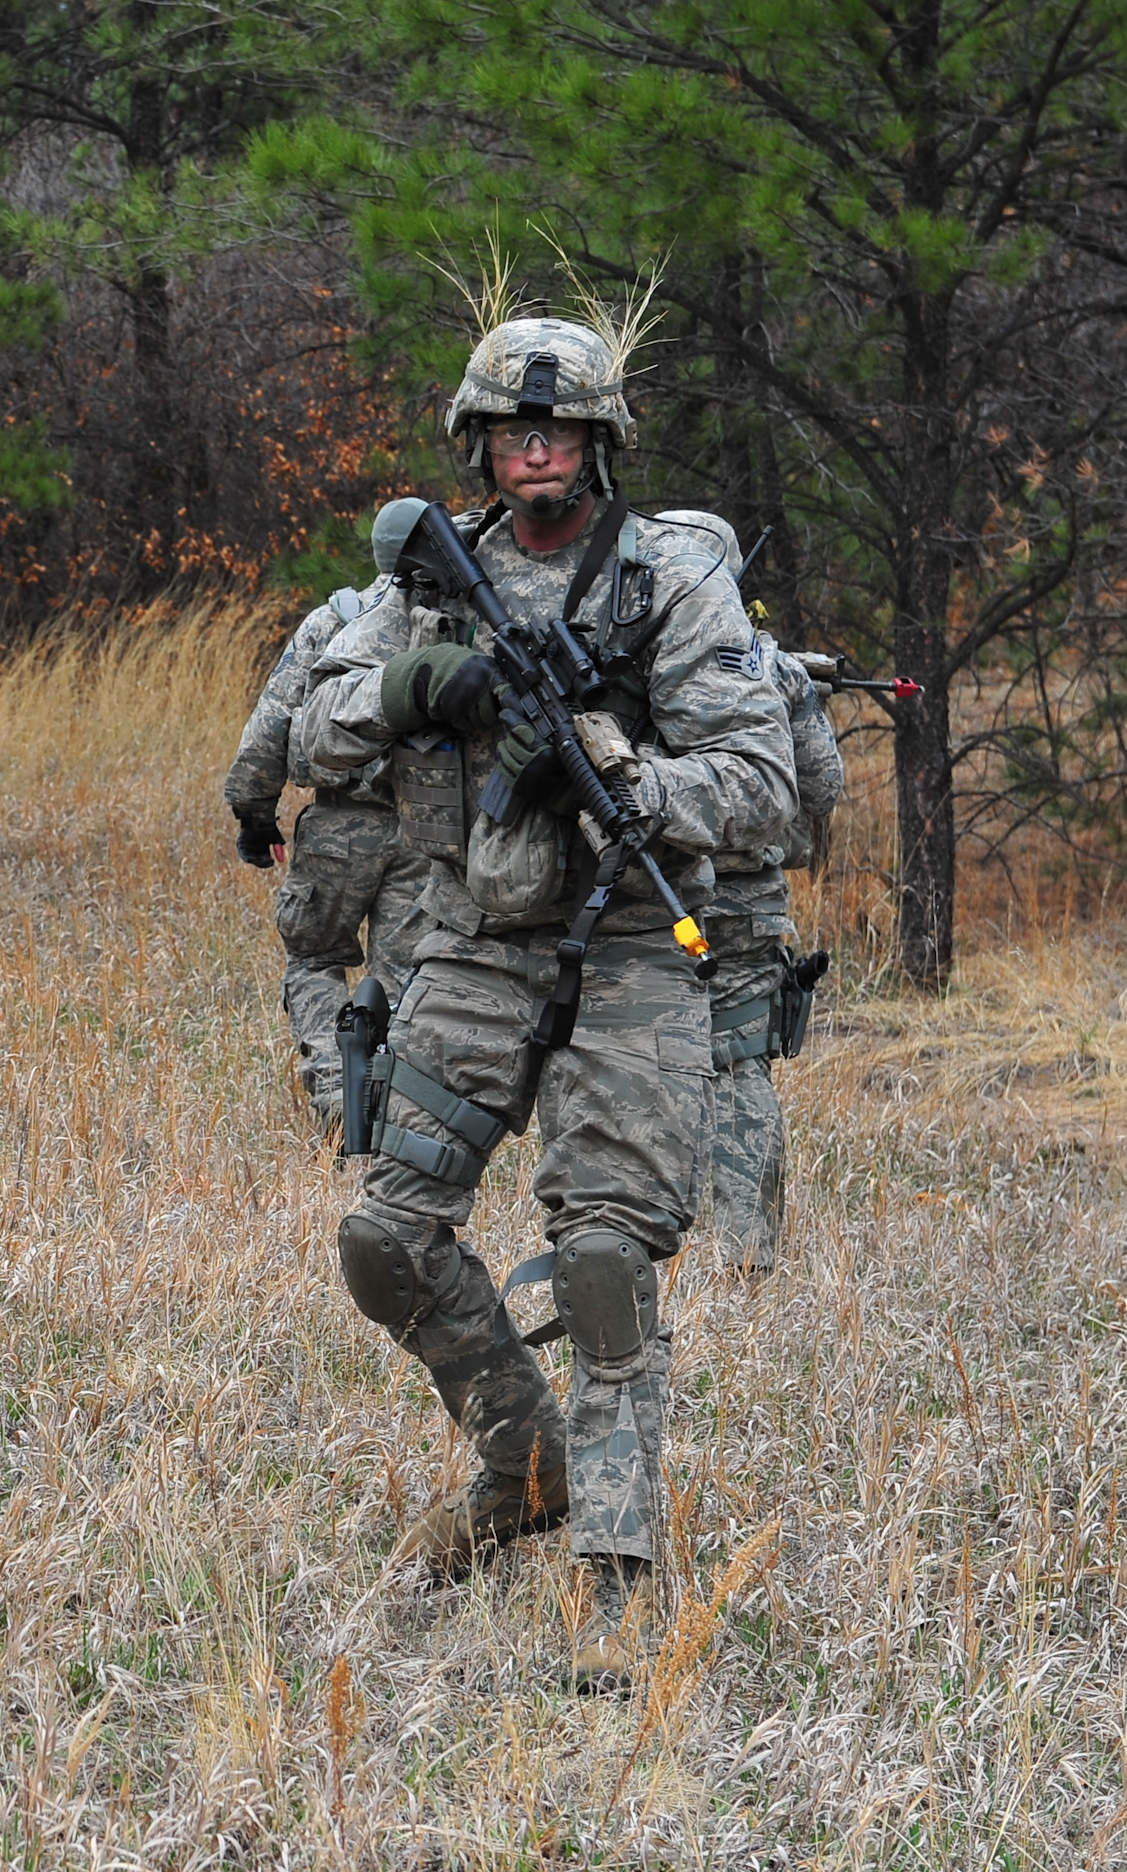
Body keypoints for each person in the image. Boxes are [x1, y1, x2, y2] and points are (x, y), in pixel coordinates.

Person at [294, 316, 796, 1688]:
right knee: (385, 1240)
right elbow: (313, 731)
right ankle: (526, 1456)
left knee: (604, 1263)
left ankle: (618, 1581)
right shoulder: (428, 584)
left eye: (559, 430)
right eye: (513, 431)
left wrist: (634, 776)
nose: (534, 450)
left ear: (599, 443)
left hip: (633, 940)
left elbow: (768, 787)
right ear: (479, 444)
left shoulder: (667, 586)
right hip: (473, 941)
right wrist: (415, 686)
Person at [656, 513, 847, 1274]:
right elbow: (823, 789)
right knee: (738, 1071)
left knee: (650, 1063)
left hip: (663, 904)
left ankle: (661, 1247)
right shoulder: (764, 667)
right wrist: (798, 702)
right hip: (737, 909)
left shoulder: (642, 660)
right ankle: (745, 1254)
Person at [220, 502, 434, 1132]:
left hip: (340, 827)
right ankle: (391, 1110)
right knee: (407, 975)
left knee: (315, 959)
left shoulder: (333, 623)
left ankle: (339, 1095)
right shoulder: (448, 625)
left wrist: (255, 815)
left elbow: (270, 729)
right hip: (427, 830)